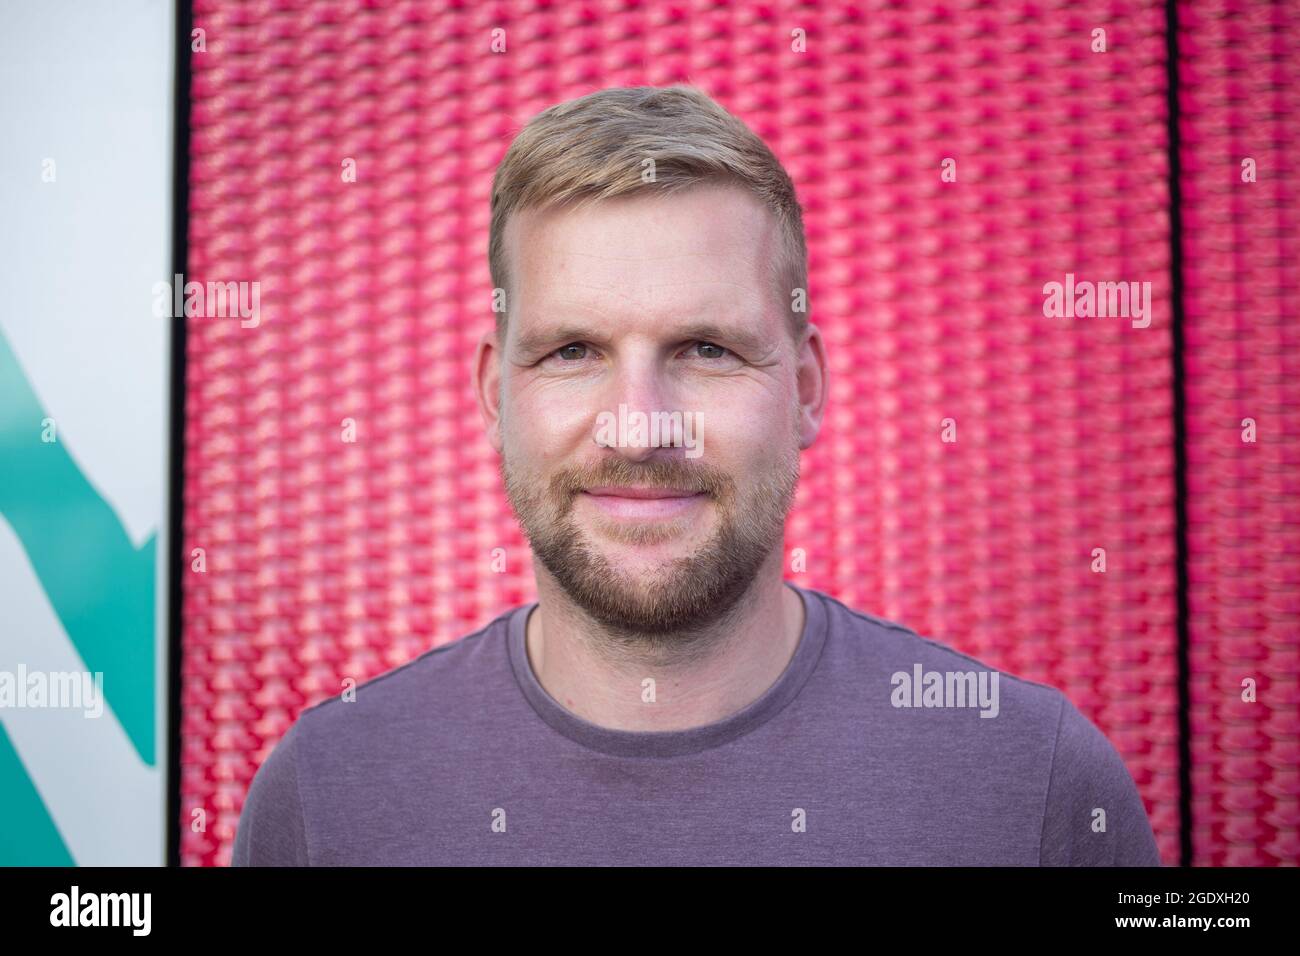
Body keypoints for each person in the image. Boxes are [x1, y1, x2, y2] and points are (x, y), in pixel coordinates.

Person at [232, 85, 1161, 866]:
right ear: (492, 396)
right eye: (571, 352)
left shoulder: (1033, 782)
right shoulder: (328, 796)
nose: (640, 425)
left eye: (707, 348)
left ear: (803, 390)